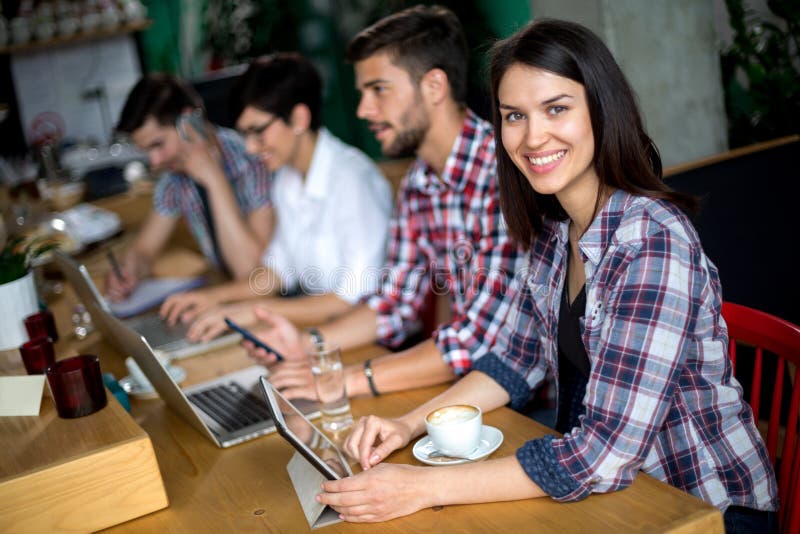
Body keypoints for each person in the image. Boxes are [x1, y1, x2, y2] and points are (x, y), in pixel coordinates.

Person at [317, 19, 779, 531]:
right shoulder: (554, 233)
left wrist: (421, 487)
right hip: (608, 492)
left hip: (701, 508)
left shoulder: (652, 240)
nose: (533, 137)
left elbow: (602, 453)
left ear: (601, 110)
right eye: (514, 116)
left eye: (556, 108)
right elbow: (514, 362)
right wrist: (407, 424)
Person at [241, 5, 523, 400]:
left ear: (434, 86)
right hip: (464, 387)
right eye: (362, 93)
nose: (363, 110)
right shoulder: (418, 183)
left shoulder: (505, 174)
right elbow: (393, 303)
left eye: (379, 90)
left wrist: (345, 379)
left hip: (531, 405)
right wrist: (307, 343)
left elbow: (480, 339)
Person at [158, 53, 392, 330]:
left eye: (258, 132)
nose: (250, 148)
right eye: (245, 134)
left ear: (299, 118)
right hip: (322, 333)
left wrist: (253, 311)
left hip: (368, 342)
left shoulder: (353, 180)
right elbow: (276, 272)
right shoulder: (286, 179)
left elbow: (353, 299)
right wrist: (212, 298)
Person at [107, 74, 273, 301]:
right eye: (147, 151)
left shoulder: (253, 161)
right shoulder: (175, 179)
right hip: (230, 296)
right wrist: (129, 272)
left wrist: (214, 179)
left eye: (158, 144)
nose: (155, 161)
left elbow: (252, 276)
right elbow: (145, 250)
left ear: (188, 123)